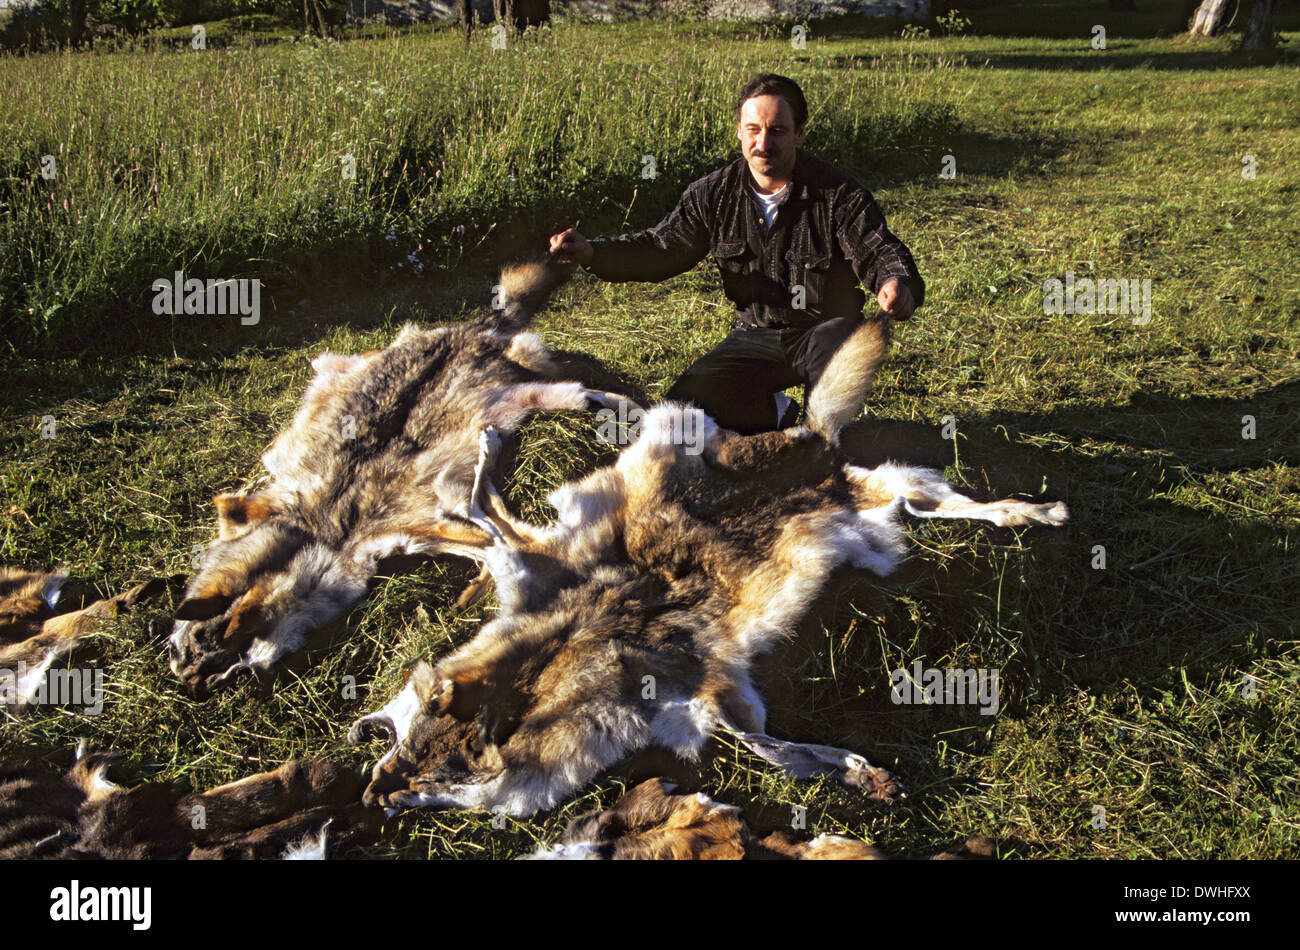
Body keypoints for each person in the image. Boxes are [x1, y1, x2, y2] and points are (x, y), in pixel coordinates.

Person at [549, 72, 924, 434]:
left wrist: (895, 282)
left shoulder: (838, 193)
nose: (763, 144)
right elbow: (660, 248)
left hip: (826, 331)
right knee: (682, 416)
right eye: (754, 130)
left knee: (824, 426)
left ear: (799, 133)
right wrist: (592, 252)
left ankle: (823, 438)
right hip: (756, 334)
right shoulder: (712, 194)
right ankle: (774, 412)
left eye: (777, 130)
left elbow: (877, 248)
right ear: (739, 132)